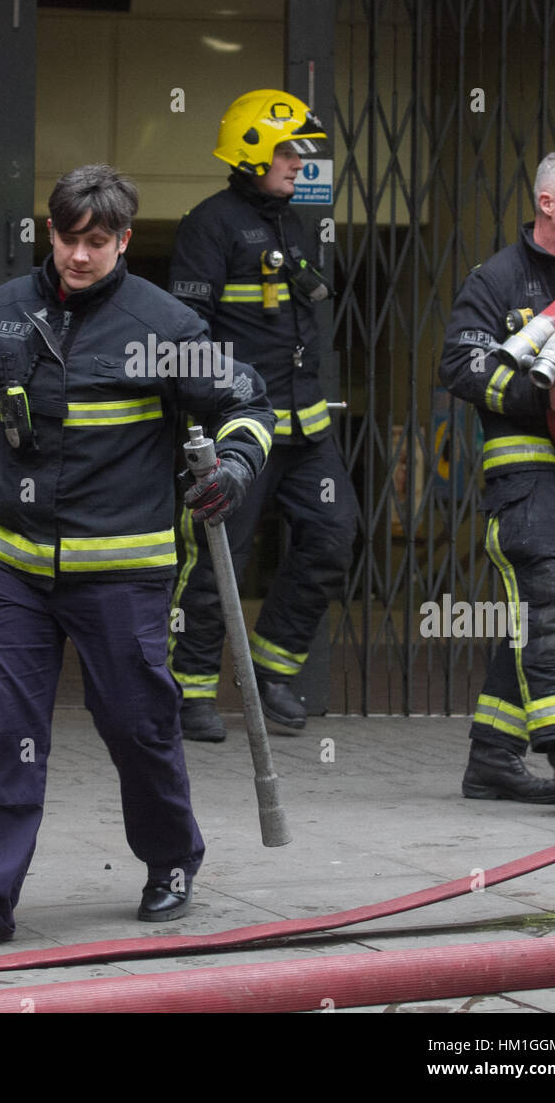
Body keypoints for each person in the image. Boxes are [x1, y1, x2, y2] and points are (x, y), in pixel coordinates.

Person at [0, 164, 275, 953]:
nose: (79, 255)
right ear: (51, 233)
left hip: (123, 574)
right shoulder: (4, 315)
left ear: (124, 240)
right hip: (12, 568)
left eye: (98, 242)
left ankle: (170, 861)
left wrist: (234, 468)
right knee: (2, 726)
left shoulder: (165, 328)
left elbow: (246, 402)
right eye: (68, 238)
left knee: (138, 726)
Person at [167, 89, 360, 741]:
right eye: (287, 149)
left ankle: (272, 669)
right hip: (237, 427)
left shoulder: (294, 221)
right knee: (218, 550)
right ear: (250, 150)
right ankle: (189, 690)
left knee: (334, 534)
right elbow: (189, 335)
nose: (300, 161)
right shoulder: (209, 224)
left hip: (306, 428)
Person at [439, 152, 555, 808]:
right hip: (527, 473)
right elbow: (461, 363)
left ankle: (492, 761)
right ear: (548, 205)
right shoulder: (500, 277)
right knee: (552, 604)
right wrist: (545, 395)